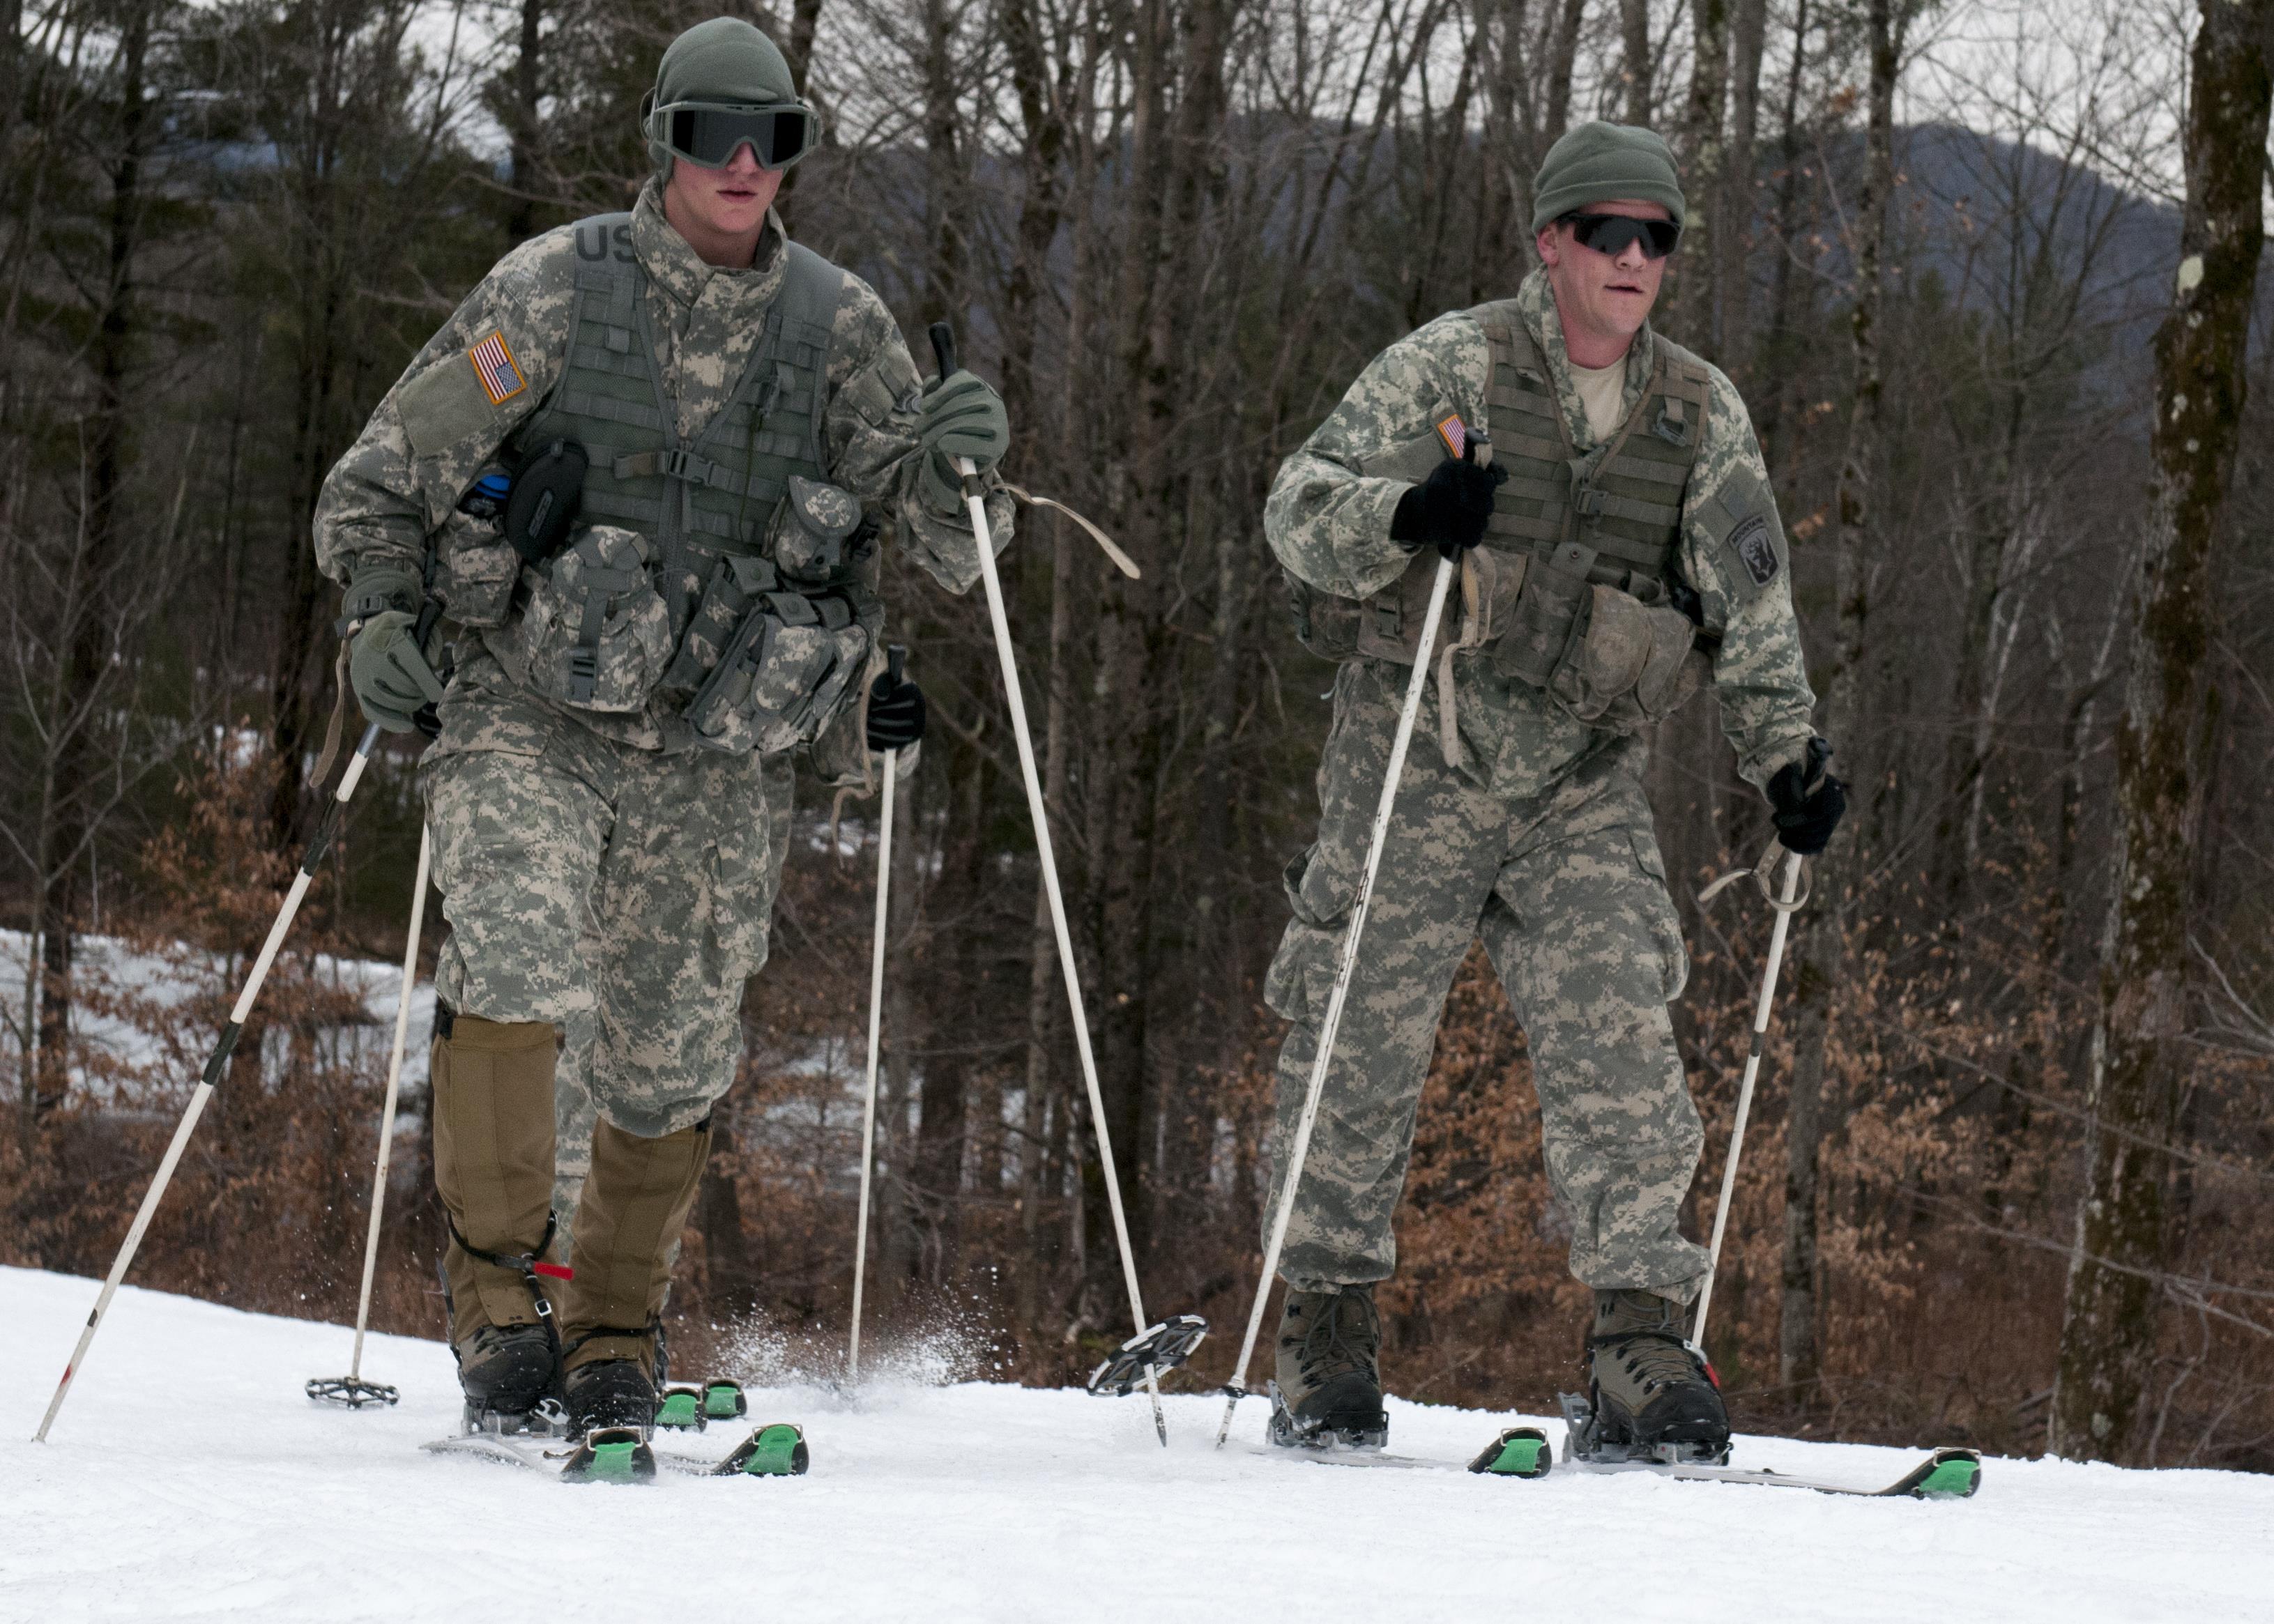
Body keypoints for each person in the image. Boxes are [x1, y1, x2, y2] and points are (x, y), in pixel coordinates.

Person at [312, 16, 1013, 1438]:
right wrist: (380, 618)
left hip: (718, 750)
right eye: (713, 136)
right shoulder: (560, 294)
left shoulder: (840, 331)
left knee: (670, 1051)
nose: (743, 165)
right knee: (513, 956)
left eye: (775, 140)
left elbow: (954, 550)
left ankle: (614, 1326)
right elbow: (382, 480)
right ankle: (500, 1298)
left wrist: (965, 464)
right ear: (665, 143)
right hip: (530, 711)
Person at [1258, 121, 1845, 1456]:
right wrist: (1403, 518)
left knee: (1622, 1027)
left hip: (1577, 770)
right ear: (1552, 244)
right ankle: (1325, 1327)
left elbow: (1751, 614)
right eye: (1607, 234)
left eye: (1657, 238)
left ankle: (1639, 1336)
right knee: (1357, 1024)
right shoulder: (1455, 363)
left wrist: (1787, 760)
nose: (1633, 259)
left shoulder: (1696, 411)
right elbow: (1297, 505)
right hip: (1421, 744)